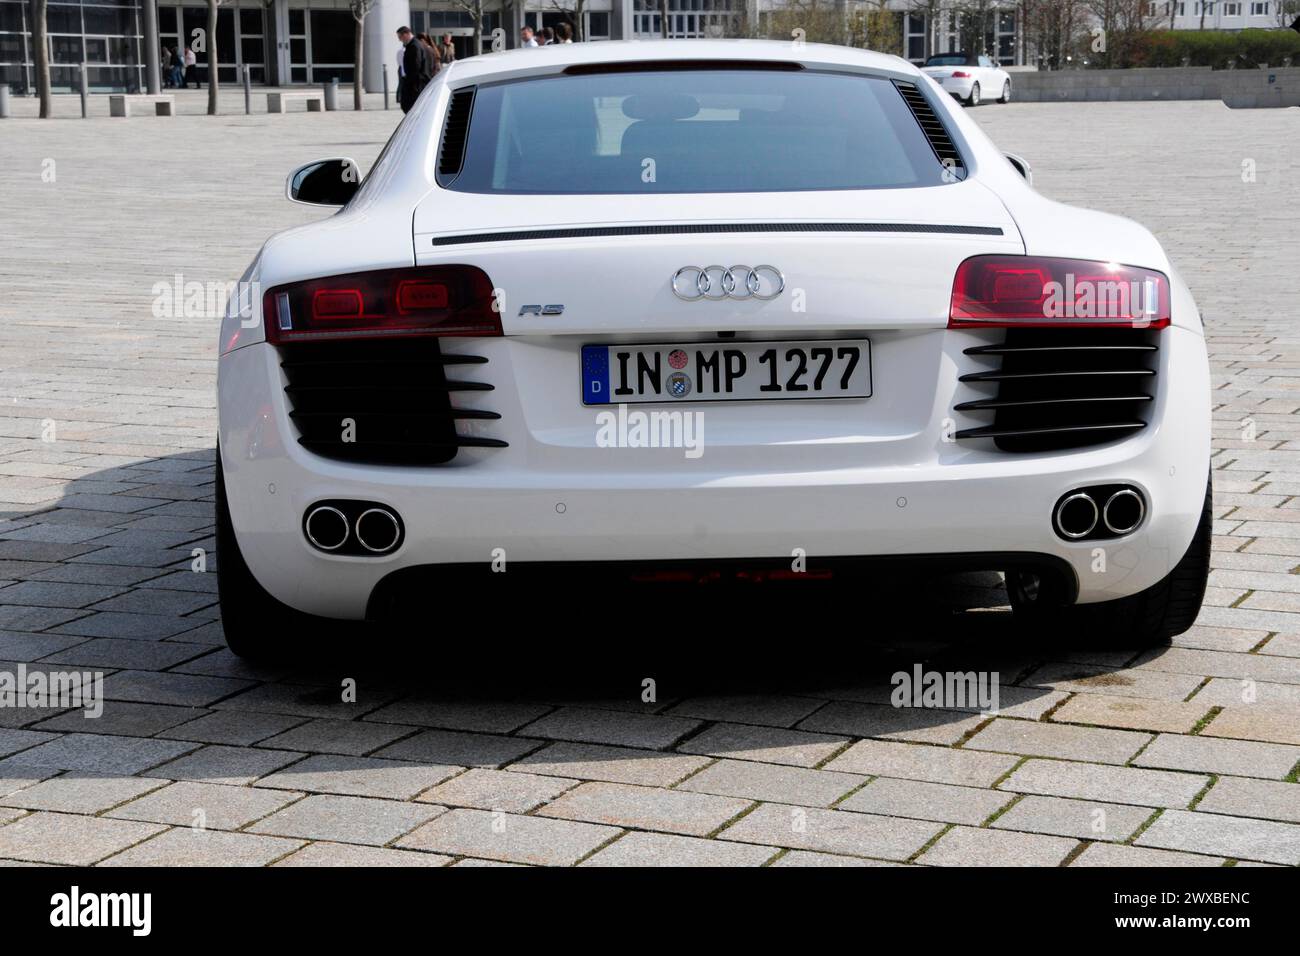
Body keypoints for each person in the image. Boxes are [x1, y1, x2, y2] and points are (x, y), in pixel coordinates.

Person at [396, 25, 433, 113]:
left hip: (416, 84)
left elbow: (415, 67)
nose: (399, 40)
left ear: (406, 34)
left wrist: (409, 83)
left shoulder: (414, 46)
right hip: (417, 82)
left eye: (400, 37)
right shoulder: (414, 44)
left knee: (410, 107)